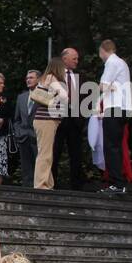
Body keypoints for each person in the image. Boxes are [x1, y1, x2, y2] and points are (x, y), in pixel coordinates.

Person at [97, 39, 132, 195]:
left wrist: (107, 87)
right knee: (116, 146)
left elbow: (102, 85)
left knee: (110, 147)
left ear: (103, 50)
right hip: (124, 108)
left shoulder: (111, 62)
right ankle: (118, 182)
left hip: (114, 108)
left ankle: (116, 183)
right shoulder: (122, 63)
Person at [52, 46, 87, 190]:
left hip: (75, 120)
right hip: (58, 119)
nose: (77, 61)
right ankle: (52, 182)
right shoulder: (54, 76)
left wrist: (82, 117)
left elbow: (85, 98)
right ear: (64, 59)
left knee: (76, 153)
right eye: (74, 58)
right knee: (55, 152)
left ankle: (77, 185)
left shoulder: (80, 77)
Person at [32, 56, 69, 190]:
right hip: (46, 120)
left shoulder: (47, 77)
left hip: (44, 120)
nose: (65, 70)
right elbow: (65, 96)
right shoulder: (52, 78)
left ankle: (47, 183)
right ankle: (41, 185)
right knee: (45, 154)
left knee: (46, 152)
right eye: (64, 68)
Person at [12, 69, 41, 188]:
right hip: (23, 136)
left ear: (38, 79)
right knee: (25, 166)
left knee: (38, 165)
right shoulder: (21, 97)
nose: (28, 80)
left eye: (31, 77)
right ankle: (26, 190)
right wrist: (18, 132)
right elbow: (17, 119)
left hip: (38, 136)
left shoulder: (44, 96)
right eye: (27, 78)